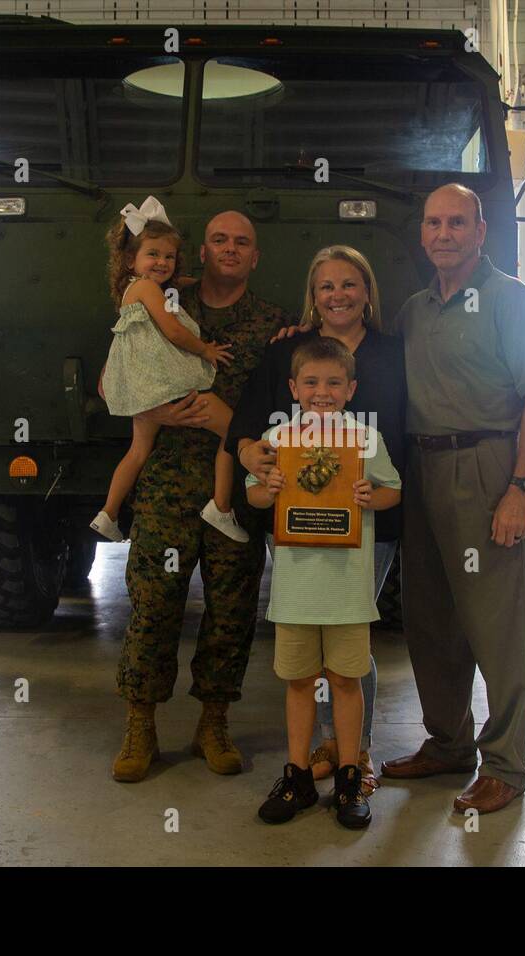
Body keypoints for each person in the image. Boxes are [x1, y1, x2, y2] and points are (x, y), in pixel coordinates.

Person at [381, 183, 525, 815]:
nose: (443, 233)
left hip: (487, 468)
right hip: (421, 469)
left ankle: (506, 764)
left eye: (457, 222)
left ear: (480, 232)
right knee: (428, 619)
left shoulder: (510, 300)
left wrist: (521, 489)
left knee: (495, 624)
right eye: (433, 223)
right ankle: (448, 743)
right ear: (422, 234)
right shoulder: (415, 310)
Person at [113, 210, 294, 783]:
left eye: (243, 241)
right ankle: (140, 723)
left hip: (235, 491)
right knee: (153, 604)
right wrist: (152, 410)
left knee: (231, 610)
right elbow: (114, 374)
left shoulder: (273, 325)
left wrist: (230, 426)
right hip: (166, 483)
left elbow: (291, 409)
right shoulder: (158, 302)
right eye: (219, 239)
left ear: (255, 256)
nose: (231, 249)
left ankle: (213, 722)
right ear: (204, 250)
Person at [231, 245, 405, 795]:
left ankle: (357, 754)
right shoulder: (288, 352)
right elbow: (248, 433)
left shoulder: (396, 353)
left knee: (351, 646)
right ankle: (316, 756)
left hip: (362, 526)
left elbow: (398, 464)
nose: (338, 295)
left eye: (349, 284)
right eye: (326, 286)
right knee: (307, 658)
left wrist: (378, 493)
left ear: (367, 292)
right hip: (299, 538)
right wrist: (254, 464)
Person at [92, 197, 247, 544]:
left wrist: (188, 281)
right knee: (234, 430)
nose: (162, 262)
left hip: (143, 388)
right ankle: (220, 507)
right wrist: (206, 350)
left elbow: (176, 290)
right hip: (168, 385)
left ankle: (109, 513)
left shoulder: (135, 290)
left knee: (137, 451)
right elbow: (173, 331)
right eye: (153, 255)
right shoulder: (148, 288)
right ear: (131, 259)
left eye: (169, 256)